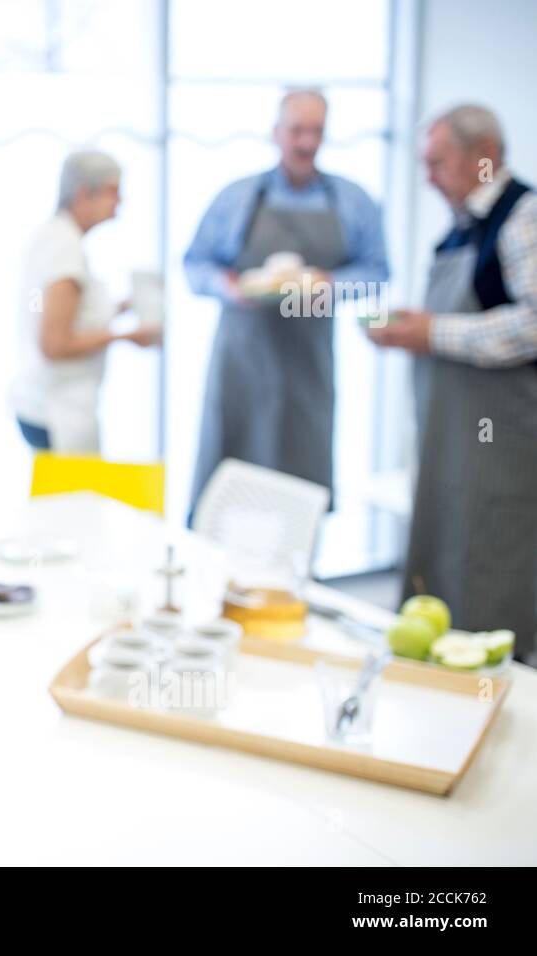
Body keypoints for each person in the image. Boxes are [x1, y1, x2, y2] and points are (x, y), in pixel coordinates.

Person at [367, 104, 536, 662]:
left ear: (484, 156)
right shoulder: (462, 231)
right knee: (446, 559)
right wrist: (412, 328)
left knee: (490, 566)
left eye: (437, 163)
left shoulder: (524, 218)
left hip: (501, 444)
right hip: (455, 443)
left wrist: (434, 332)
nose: (428, 178)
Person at [183, 89, 388, 508]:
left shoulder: (353, 201)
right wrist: (229, 286)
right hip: (241, 362)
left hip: (308, 366)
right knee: (231, 484)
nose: (307, 142)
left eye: (317, 131)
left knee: (300, 487)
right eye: (297, 131)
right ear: (275, 132)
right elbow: (194, 265)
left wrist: (329, 285)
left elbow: (376, 276)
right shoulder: (236, 198)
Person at [9, 150, 161, 454]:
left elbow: (59, 313)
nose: (120, 201)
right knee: (74, 487)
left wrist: (122, 308)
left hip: (37, 398)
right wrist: (126, 336)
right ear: (82, 194)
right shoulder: (65, 249)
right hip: (60, 408)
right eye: (112, 191)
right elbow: (55, 343)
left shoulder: (51, 236)